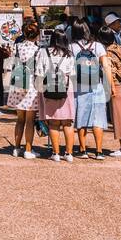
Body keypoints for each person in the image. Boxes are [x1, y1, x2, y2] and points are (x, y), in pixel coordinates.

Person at [35, 28, 76, 162]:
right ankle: (69, 154)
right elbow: (73, 74)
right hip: (66, 89)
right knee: (68, 123)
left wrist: (39, 90)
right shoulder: (69, 54)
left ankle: (56, 153)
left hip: (49, 88)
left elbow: (39, 72)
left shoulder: (43, 52)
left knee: (53, 123)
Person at [70, 22, 108, 159]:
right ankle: (99, 151)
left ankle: (83, 149)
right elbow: (106, 66)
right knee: (98, 119)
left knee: (82, 117)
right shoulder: (98, 46)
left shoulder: (72, 47)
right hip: (97, 86)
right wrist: (110, 86)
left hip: (79, 87)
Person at [7, 21, 41, 158]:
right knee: (30, 120)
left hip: (18, 83)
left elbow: (11, 64)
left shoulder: (17, 47)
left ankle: (16, 148)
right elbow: (39, 70)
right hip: (31, 86)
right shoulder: (38, 50)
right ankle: (28, 149)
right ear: (37, 35)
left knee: (19, 119)